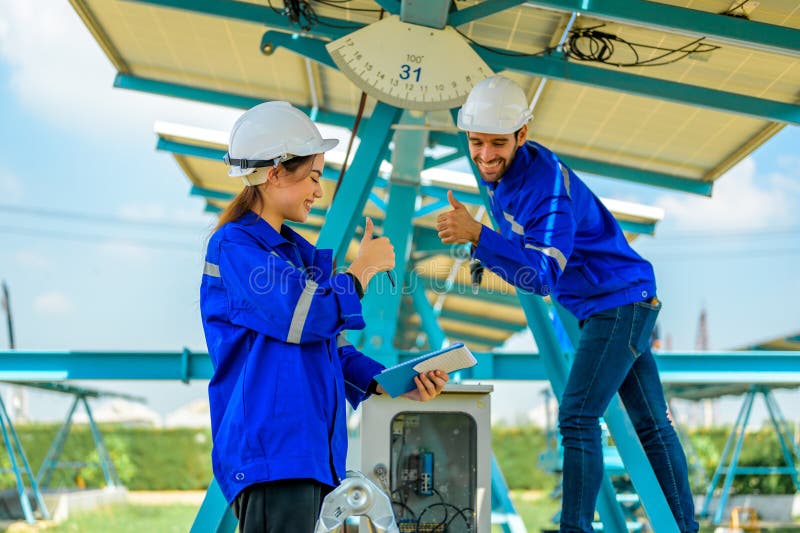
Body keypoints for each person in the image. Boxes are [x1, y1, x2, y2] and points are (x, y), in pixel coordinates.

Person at [436, 76, 698, 533]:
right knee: (653, 426)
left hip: (617, 304)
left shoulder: (548, 190)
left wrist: (479, 236)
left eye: (497, 143)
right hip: (618, 301)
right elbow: (523, 251)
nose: (485, 155)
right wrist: (485, 251)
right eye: (476, 142)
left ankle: (575, 529)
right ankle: (684, 528)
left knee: (578, 417)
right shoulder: (507, 177)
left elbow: (540, 276)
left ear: (522, 134)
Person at [200, 101, 449, 533]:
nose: (319, 191)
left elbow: (332, 348)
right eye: (314, 176)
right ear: (275, 172)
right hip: (275, 454)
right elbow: (302, 315)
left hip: (306, 455)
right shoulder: (236, 246)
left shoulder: (293, 257)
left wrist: (395, 383)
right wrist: (361, 270)